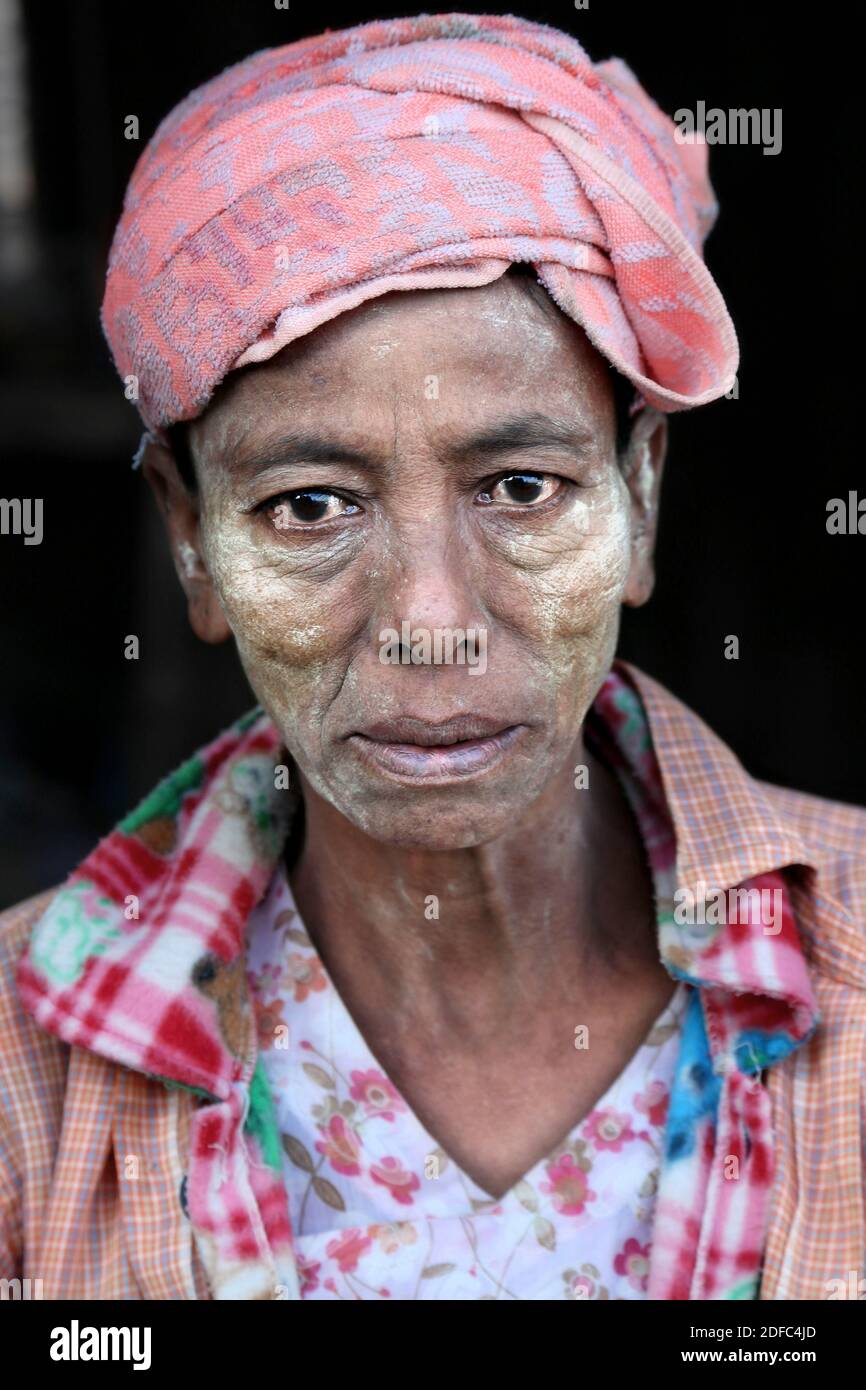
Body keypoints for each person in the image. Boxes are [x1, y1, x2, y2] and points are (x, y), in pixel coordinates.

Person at [1, 12, 863, 1302]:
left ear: (641, 498)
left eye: (521, 486)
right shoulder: (22, 1070)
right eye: (309, 506)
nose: (430, 619)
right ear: (192, 544)